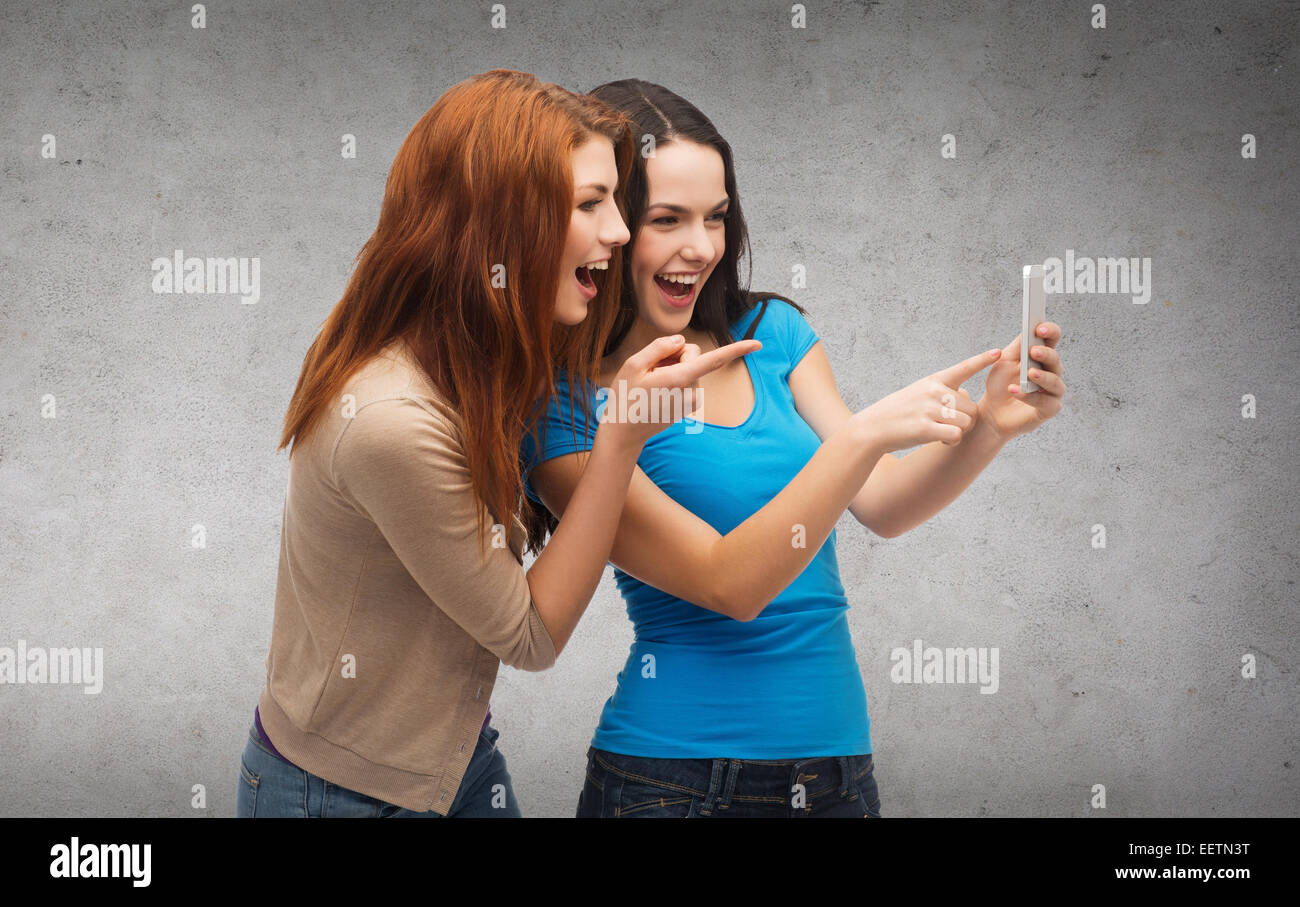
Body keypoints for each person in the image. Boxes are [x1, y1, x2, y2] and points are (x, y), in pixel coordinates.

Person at [521, 79, 1066, 818]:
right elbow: (730, 585)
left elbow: (882, 503)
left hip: (839, 773)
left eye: (716, 217)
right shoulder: (569, 410)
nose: (701, 247)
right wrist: (867, 434)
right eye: (667, 219)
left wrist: (991, 425)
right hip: (671, 786)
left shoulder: (770, 332)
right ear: (609, 225)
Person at [235, 70, 760, 818]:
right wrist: (618, 444)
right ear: (496, 225)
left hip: (457, 760)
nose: (619, 229)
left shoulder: (482, 352)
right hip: (346, 791)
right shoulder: (396, 423)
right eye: (590, 203)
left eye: (615, 199)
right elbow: (531, 634)